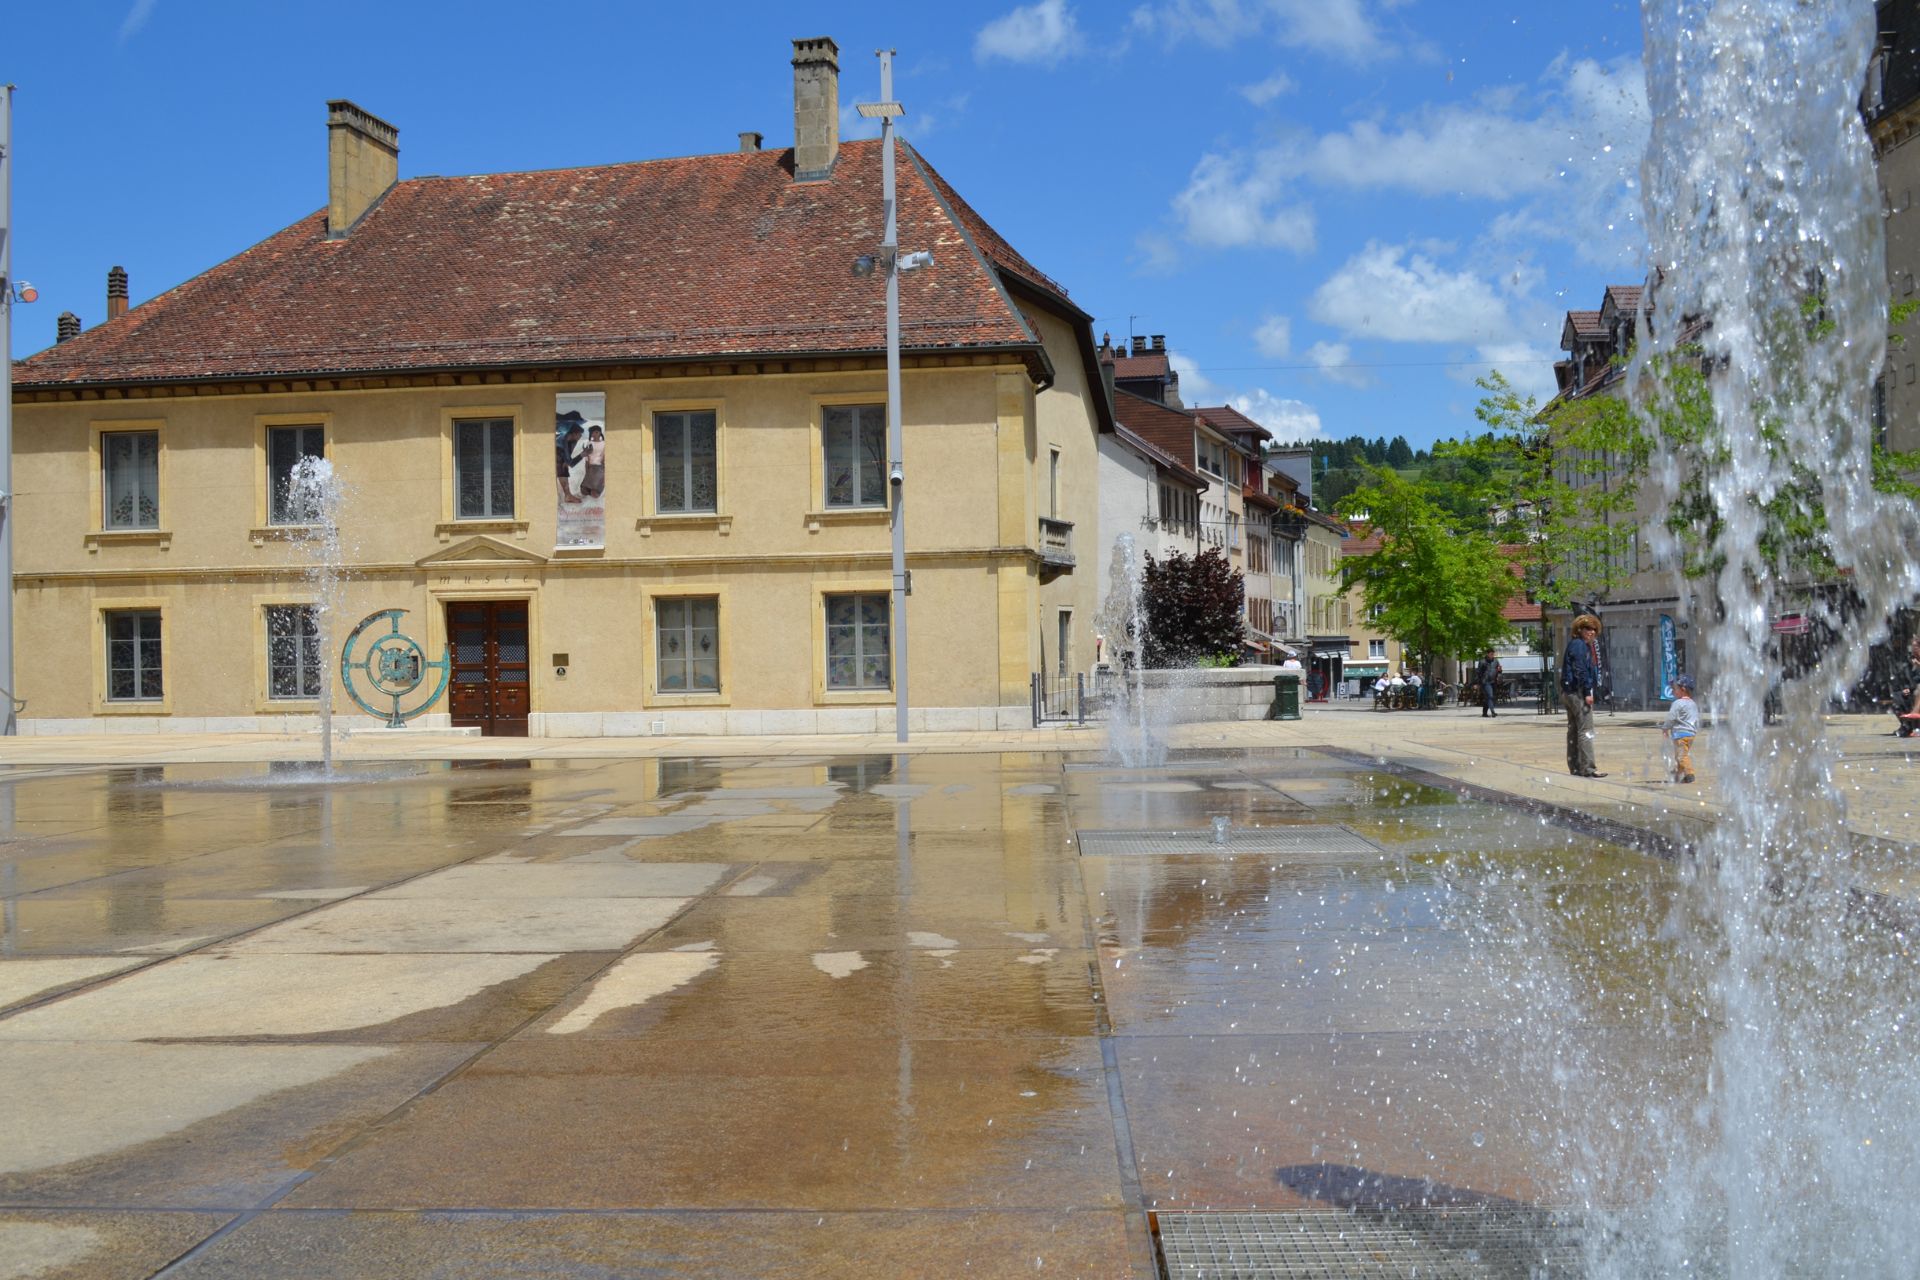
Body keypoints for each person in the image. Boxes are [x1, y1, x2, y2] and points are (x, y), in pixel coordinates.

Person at [1561, 614, 1608, 778]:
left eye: (1594, 629)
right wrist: (1588, 692)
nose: (1592, 632)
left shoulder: (1575, 645)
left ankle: (1575, 767)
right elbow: (1580, 670)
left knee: (1573, 730)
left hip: (1569, 692)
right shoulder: (1580, 646)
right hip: (1577, 692)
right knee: (1586, 730)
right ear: (1579, 630)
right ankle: (1588, 768)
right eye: (1588, 628)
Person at [1665, 673, 1699, 784]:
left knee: (1681, 756)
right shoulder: (1693, 704)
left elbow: (1671, 717)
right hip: (1691, 735)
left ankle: (1689, 773)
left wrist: (1666, 728)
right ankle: (1677, 774)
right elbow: (1695, 719)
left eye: (1674, 689)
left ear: (1683, 689)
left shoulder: (1677, 703)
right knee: (1681, 755)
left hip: (1680, 734)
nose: (1672, 691)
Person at [556, 424, 585, 504]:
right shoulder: (563, 441)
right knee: (562, 466)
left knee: (563, 466)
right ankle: (568, 495)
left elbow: (569, 461)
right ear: (574, 434)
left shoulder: (571, 441)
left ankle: (568, 495)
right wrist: (582, 454)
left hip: (558, 456)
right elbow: (570, 463)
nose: (580, 436)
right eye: (580, 434)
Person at [579, 425, 607, 499]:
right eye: (592, 433)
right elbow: (587, 458)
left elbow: (604, 458)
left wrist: (604, 472)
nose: (594, 434)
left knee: (595, 493)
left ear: (600, 433)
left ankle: (596, 490)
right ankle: (590, 489)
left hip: (599, 468)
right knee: (583, 491)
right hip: (590, 468)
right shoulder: (589, 443)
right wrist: (587, 471)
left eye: (596, 432)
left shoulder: (604, 443)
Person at [1478, 648, 1503, 718]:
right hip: (1485, 682)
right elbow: (1478, 673)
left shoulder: (1496, 661)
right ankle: (1493, 712)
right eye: (1491, 654)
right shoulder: (1482, 661)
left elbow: (1499, 670)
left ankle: (1484, 713)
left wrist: (1499, 675)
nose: (1492, 655)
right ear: (1487, 654)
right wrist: (1479, 682)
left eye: (1493, 654)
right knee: (1490, 696)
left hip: (1493, 681)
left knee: (1490, 698)